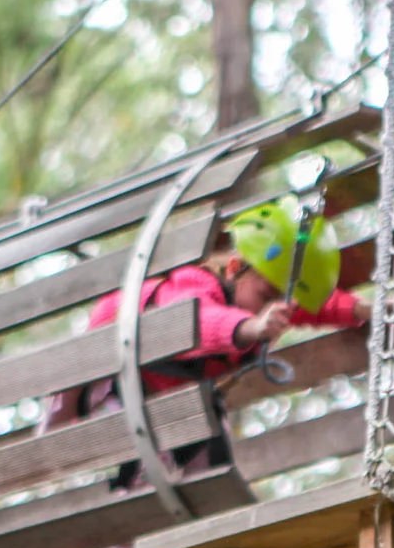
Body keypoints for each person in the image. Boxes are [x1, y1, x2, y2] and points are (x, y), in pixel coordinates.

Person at [49, 196, 373, 474]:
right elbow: (200, 323)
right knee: (146, 459)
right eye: (265, 295)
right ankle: (53, 441)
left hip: (161, 390)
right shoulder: (195, 284)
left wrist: (361, 309)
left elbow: (315, 307)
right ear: (234, 268)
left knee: (203, 450)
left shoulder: (262, 304)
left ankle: (193, 516)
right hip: (111, 366)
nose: (272, 309)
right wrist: (250, 328)